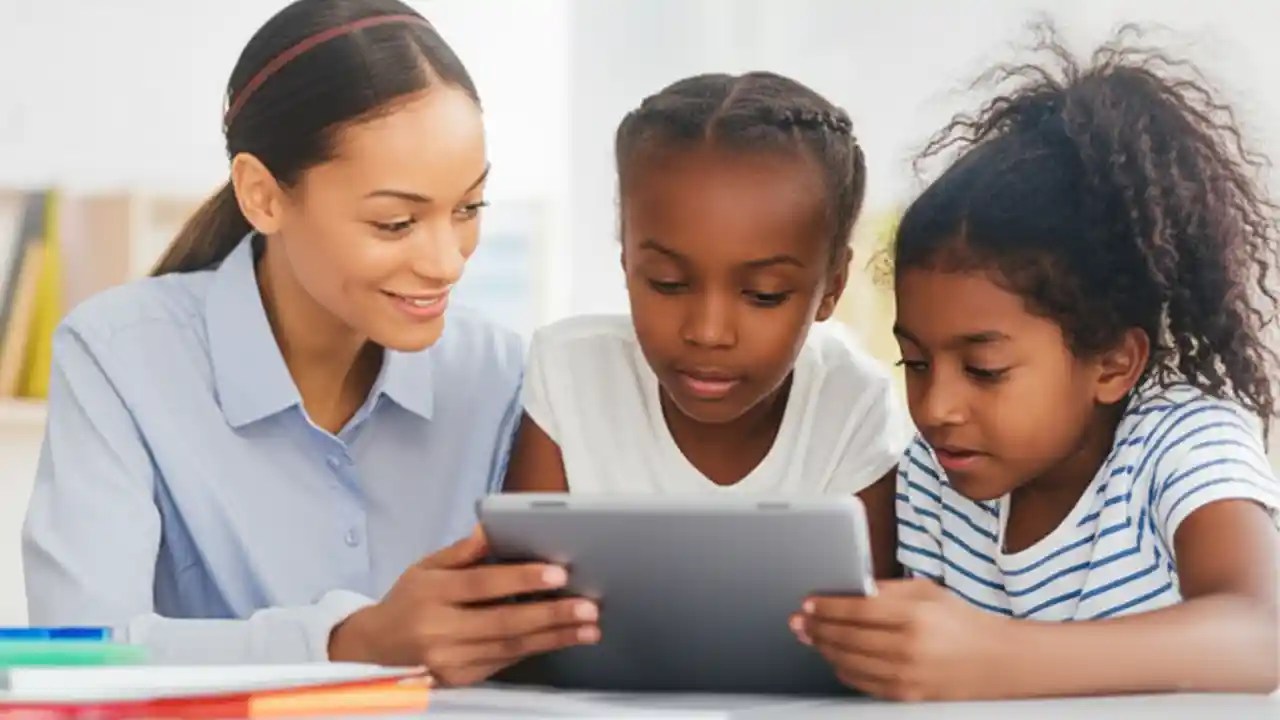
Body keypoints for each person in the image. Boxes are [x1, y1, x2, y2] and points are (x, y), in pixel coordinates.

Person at [22, 0, 598, 684]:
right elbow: (77, 656)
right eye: (395, 222)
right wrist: (347, 644)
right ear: (263, 196)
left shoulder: (501, 373)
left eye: (468, 209)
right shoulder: (118, 356)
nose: (447, 261)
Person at [793, 28, 1280, 699]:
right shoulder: (936, 483)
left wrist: (997, 659)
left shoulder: (1180, 443)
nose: (936, 409)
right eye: (915, 363)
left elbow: (1261, 635)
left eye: (985, 370)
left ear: (1112, 362)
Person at [504, 72, 912, 576]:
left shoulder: (852, 404)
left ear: (832, 286)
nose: (708, 331)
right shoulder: (569, 372)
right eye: (668, 283)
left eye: (764, 295)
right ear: (626, 257)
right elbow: (520, 610)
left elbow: (868, 630)